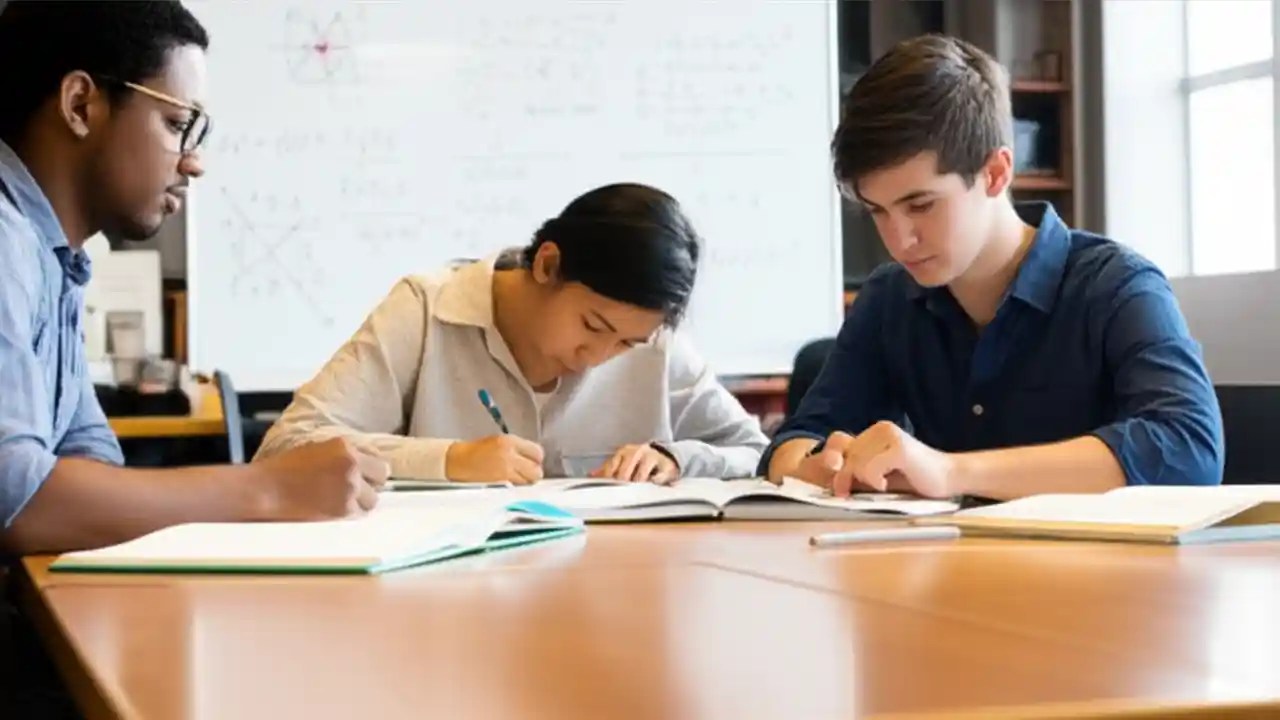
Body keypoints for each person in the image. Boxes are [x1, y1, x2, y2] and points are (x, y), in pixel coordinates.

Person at [0, 0, 390, 560]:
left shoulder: (53, 257)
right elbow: (22, 502)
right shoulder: (7, 241)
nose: (194, 163)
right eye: (178, 125)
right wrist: (272, 489)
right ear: (80, 104)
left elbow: (84, 458)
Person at [763, 34, 1223, 499]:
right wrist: (822, 466)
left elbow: (1188, 450)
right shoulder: (889, 298)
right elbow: (793, 443)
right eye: (878, 211)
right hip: (942, 565)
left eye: (920, 205)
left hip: (1103, 571)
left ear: (996, 173)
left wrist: (949, 472)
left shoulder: (1117, 286)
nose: (898, 240)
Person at [256, 183, 768, 484]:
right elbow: (288, 448)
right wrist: (450, 460)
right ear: (547, 264)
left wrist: (677, 458)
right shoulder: (427, 310)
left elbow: (758, 453)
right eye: (593, 326)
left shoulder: (650, 341)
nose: (598, 357)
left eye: (626, 345)